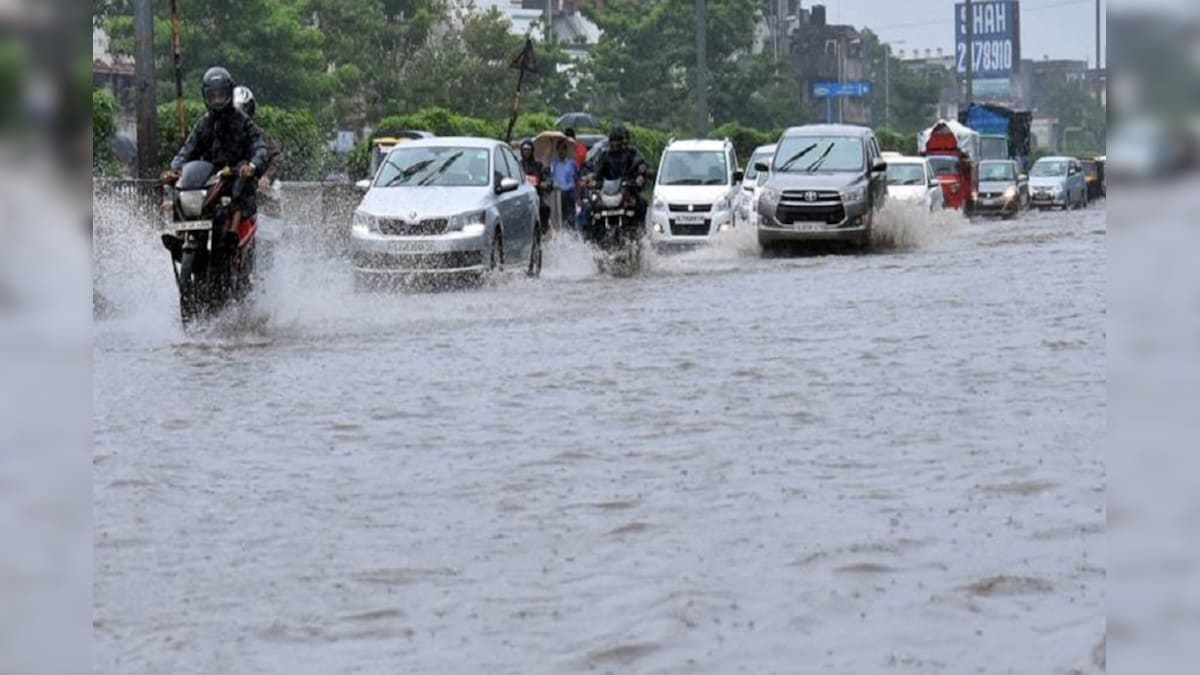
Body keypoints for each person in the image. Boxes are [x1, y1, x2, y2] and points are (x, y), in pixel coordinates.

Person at [161, 67, 267, 240]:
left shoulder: (243, 121)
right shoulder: (203, 123)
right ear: (206, 96)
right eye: (213, 95)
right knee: (180, 188)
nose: (217, 100)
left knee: (241, 184)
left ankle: (232, 233)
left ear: (229, 93)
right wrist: (174, 169)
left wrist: (252, 165)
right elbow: (187, 149)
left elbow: (259, 146)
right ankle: (180, 234)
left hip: (235, 173)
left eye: (221, 95)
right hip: (209, 177)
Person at [584, 123, 649, 236]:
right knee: (589, 207)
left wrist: (640, 175)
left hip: (626, 188)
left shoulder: (631, 153)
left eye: (618, 139)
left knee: (641, 203)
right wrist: (591, 178)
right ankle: (589, 240)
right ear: (610, 140)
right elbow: (597, 171)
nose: (616, 143)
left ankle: (640, 234)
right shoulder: (604, 155)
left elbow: (641, 164)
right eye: (614, 140)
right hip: (608, 191)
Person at [232, 86, 284, 190]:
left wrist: (267, 177)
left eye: (243, 111)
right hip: (227, 185)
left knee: (272, 197)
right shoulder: (216, 133)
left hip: (255, 188)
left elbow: (277, 156)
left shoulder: (258, 134)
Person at [518, 139, 551, 234]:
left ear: (532, 150)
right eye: (524, 149)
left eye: (528, 149)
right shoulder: (517, 165)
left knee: (545, 208)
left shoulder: (538, 165)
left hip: (537, 195)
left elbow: (547, 179)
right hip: (521, 196)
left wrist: (544, 184)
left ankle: (544, 230)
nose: (526, 151)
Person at [550, 138, 580, 234]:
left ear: (566, 150)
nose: (562, 151)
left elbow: (577, 180)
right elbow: (552, 178)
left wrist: (578, 197)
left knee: (571, 217)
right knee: (560, 218)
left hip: (570, 192)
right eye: (560, 148)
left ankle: (572, 235)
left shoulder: (572, 163)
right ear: (557, 150)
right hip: (559, 194)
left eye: (564, 148)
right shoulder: (554, 164)